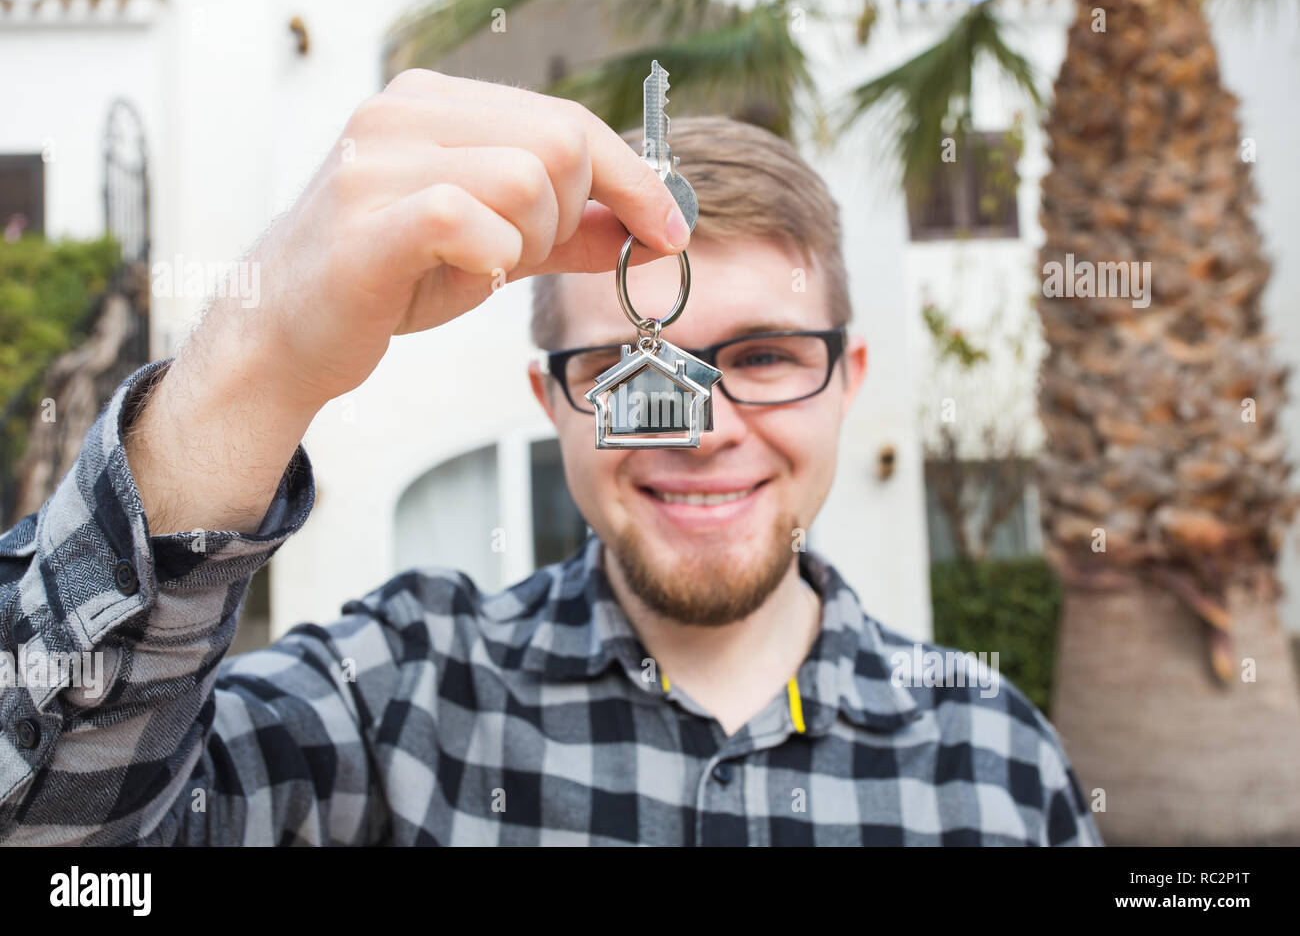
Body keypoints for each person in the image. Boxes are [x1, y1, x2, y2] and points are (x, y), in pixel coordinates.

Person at [0, 69, 1101, 846]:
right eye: (631, 363)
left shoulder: (999, 763)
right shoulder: (398, 692)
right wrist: (253, 361)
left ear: (849, 377)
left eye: (764, 354)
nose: (703, 425)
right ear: (551, 397)